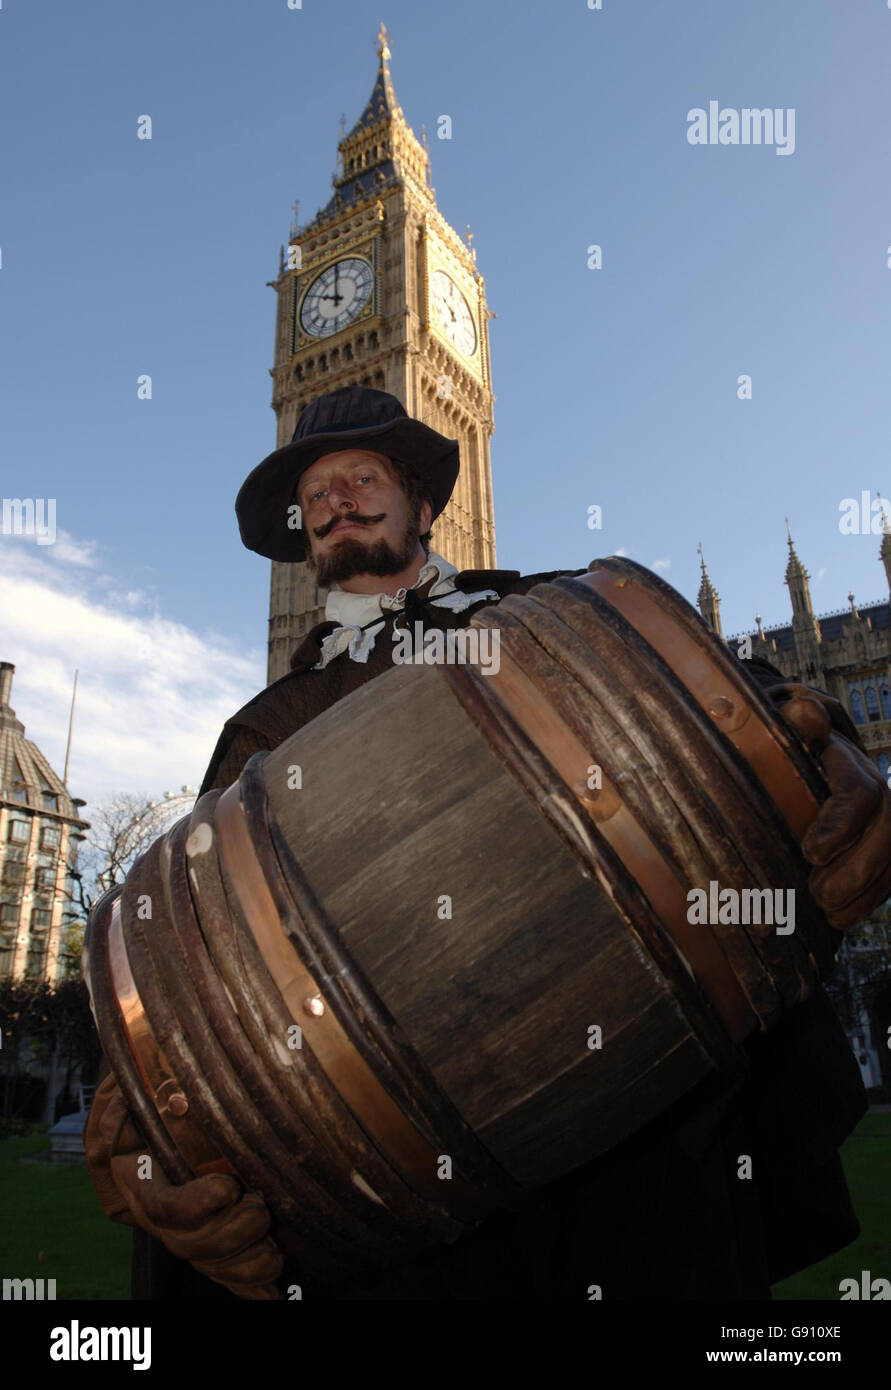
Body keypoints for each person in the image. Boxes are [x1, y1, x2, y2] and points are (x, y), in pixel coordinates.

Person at [86, 386, 890, 1301]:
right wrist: (141, 1120)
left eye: (362, 478)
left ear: (424, 507)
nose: (337, 501)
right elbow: (195, 958)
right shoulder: (262, 731)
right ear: (302, 535)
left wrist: (830, 745)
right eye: (314, 497)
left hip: (638, 1161)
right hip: (422, 1210)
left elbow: (755, 709)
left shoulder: (548, 611)